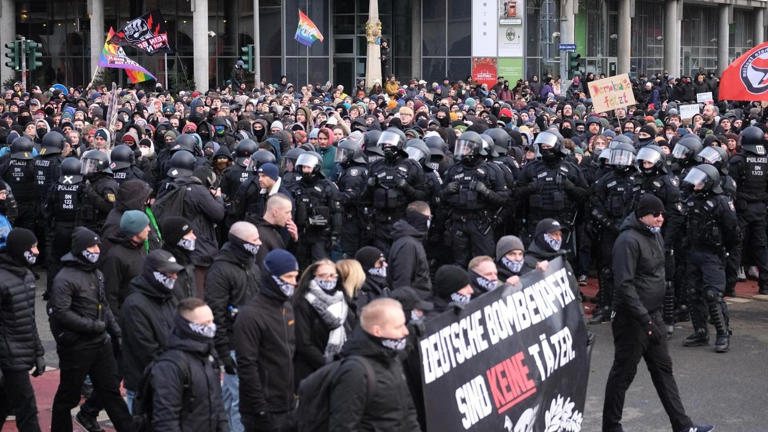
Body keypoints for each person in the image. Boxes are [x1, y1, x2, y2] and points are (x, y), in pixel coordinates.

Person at [602, 194, 713, 432]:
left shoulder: (654, 235)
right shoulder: (627, 241)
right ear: (643, 215)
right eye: (656, 214)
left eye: (662, 214)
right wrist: (643, 318)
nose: (661, 218)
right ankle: (611, 427)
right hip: (632, 320)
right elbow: (624, 285)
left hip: (654, 315)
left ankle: (682, 426)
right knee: (623, 375)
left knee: (664, 371)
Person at [48, 227, 134, 432]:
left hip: (100, 343)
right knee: (67, 397)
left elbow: (104, 306)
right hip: (77, 347)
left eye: (97, 245)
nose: (97, 250)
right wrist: (93, 326)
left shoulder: (96, 273)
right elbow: (61, 312)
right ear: (81, 249)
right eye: (92, 246)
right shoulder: (65, 278)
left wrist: (117, 332)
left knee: (111, 392)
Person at [328, 297, 421, 431]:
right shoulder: (355, 371)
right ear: (377, 331)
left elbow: (408, 411)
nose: (405, 331)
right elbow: (343, 426)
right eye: (398, 327)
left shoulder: (391, 356)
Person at [204, 221, 262, 432]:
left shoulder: (253, 267)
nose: (259, 243)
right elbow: (215, 313)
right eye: (254, 240)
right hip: (233, 346)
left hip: (251, 343)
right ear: (240, 242)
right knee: (241, 402)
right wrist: (223, 352)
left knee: (230, 400)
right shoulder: (220, 271)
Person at [234, 249, 299, 432]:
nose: (293, 283)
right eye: (288, 277)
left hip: (287, 404)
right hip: (263, 410)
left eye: (295, 277)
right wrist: (261, 408)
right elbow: (247, 364)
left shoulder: (287, 307)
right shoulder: (250, 315)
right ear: (272, 277)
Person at [680, 164, 739, 353]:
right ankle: (700, 331)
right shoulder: (691, 200)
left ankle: (723, 333)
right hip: (693, 251)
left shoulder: (721, 201)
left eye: (699, 181)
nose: (695, 184)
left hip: (712, 254)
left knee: (713, 294)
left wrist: (726, 251)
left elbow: (733, 231)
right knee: (692, 292)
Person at [150, 298, 228, 432]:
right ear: (188, 327)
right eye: (205, 324)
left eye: (211, 321)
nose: (211, 327)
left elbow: (217, 406)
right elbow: (166, 419)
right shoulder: (170, 366)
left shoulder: (208, 356)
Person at [120, 249, 182, 411]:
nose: (174, 277)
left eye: (175, 272)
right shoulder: (134, 305)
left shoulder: (170, 297)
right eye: (169, 273)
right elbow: (146, 350)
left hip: (170, 379)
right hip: (145, 385)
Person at [0, 228, 45, 432]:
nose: (36, 251)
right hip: (10, 355)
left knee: (4, 402)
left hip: (20, 352)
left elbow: (29, 319)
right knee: (27, 408)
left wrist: (38, 352)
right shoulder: (2, 280)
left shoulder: (27, 276)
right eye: (32, 247)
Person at [294, 259, 352, 385]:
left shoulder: (344, 301)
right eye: (322, 276)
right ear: (313, 276)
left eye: (332, 275)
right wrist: (327, 364)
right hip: (310, 371)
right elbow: (303, 343)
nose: (328, 279)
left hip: (340, 370)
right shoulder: (302, 302)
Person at [387, 200, 432, 298]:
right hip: (412, 305)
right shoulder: (408, 245)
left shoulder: (411, 241)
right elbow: (402, 283)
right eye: (429, 218)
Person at [159, 216, 198, 300]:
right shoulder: (165, 266)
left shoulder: (187, 259)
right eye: (188, 234)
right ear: (176, 238)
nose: (194, 237)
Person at [254, 193, 298, 266]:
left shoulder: (273, 230)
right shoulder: (259, 235)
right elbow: (262, 270)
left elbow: (285, 258)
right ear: (275, 212)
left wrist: (294, 240)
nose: (290, 217)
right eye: (287, 212)